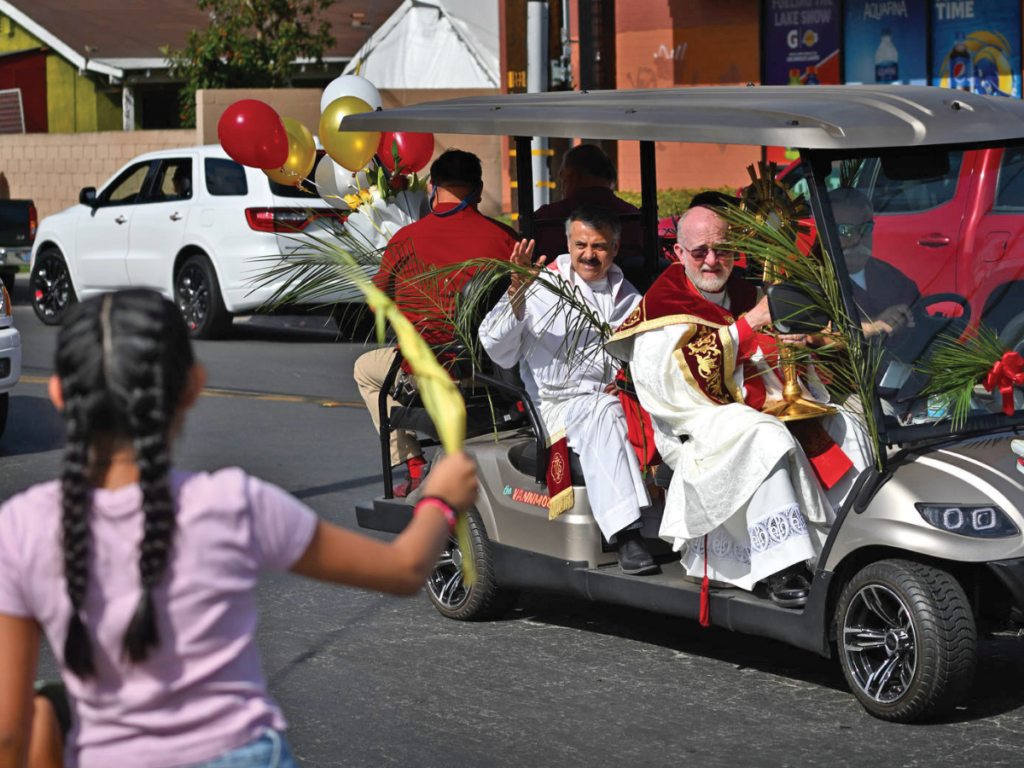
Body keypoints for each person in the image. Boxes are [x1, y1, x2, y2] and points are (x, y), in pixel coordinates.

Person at [0, 289, 478, 768]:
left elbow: (8, 732)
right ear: (193, 385)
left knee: (46, 707)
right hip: (245, 756)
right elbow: (405, 568)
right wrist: (440, 497)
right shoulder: (232, 503)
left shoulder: (21, 527)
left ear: (59, 393)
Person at [606, 201, 873, 605]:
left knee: (845, 423)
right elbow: (678, 385)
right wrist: (750, 326)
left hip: (749, 408)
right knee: (764, 436)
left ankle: (851, 544)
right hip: (697, 425)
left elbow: (765, 353)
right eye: (700, 252)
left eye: (722, 250)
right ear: (679, 254)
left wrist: (793, 347)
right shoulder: (661, 309)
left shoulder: (746, 293)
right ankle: (781, 566)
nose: (712, 261)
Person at [479, 207, 657, 575]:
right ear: (568, 243)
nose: (589, 255)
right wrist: (516, 292)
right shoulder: (541, 285)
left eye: (600, 246)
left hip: (625, 400)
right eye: (581, 245)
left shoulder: (630, 297)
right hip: (560, 407)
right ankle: (627, 533)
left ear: (616, 247)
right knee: (602, 412)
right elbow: (495, 347)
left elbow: (648, 354)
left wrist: (628, 381)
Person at [354, 149, 517, 496]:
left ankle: (412, 463)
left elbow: (376, 307)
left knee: (365, 369)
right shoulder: (505, 239)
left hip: (427, 370)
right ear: (479, 188)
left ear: (432, 186)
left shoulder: (405, 240)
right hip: (493, 369)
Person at [532, 144, 643, 281]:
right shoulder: (636, 216)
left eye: (562, 178)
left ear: (572, 177)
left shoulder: (547, 216)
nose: (589, 255)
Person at [829, 187, 920, 338]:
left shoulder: (898, 282)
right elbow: (809, 333)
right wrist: (871, 326)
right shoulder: (809, 281)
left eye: (865, 229)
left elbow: (923, 331)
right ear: (826, 231)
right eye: (845, 230)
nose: (857, 239)